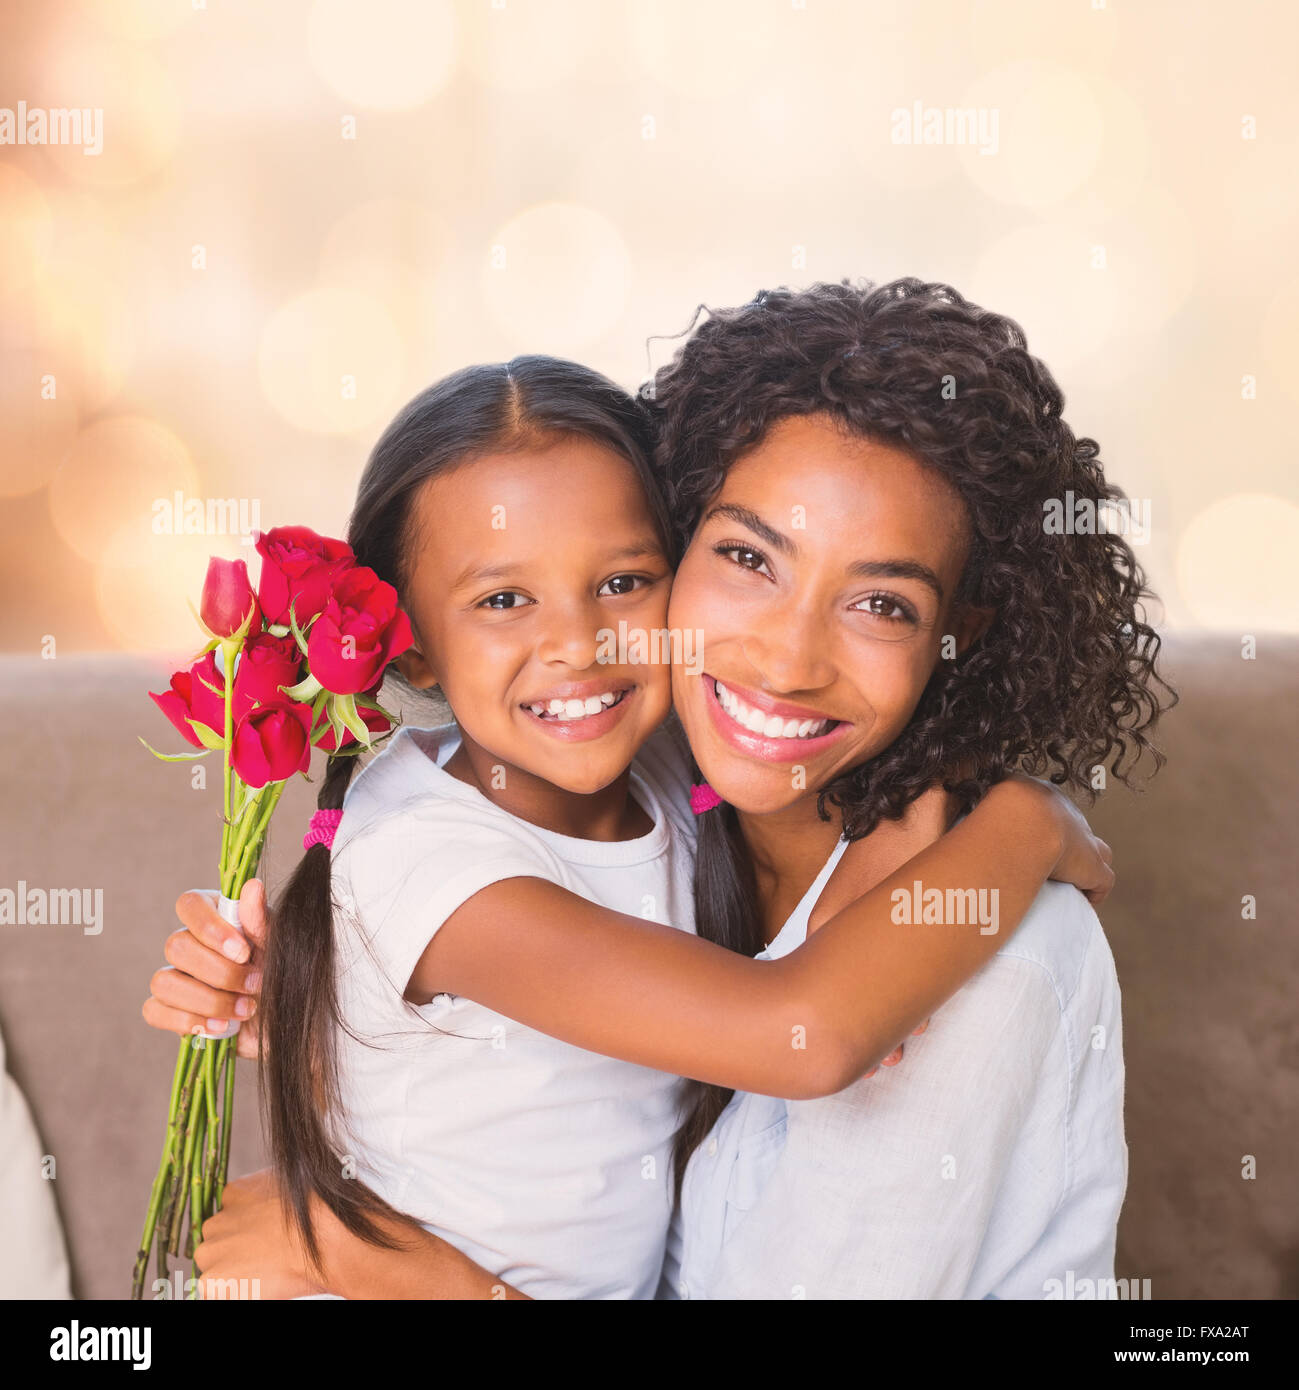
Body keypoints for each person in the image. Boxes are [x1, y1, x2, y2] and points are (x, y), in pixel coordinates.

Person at [147, 281, 1155, 1299]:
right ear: (410, 650)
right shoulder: (461, 841)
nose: (579, 647)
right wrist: (1030, 824)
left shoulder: (683, 772)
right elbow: (793, 1030)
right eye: (750, 557)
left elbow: (790, 997)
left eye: (623, 581)